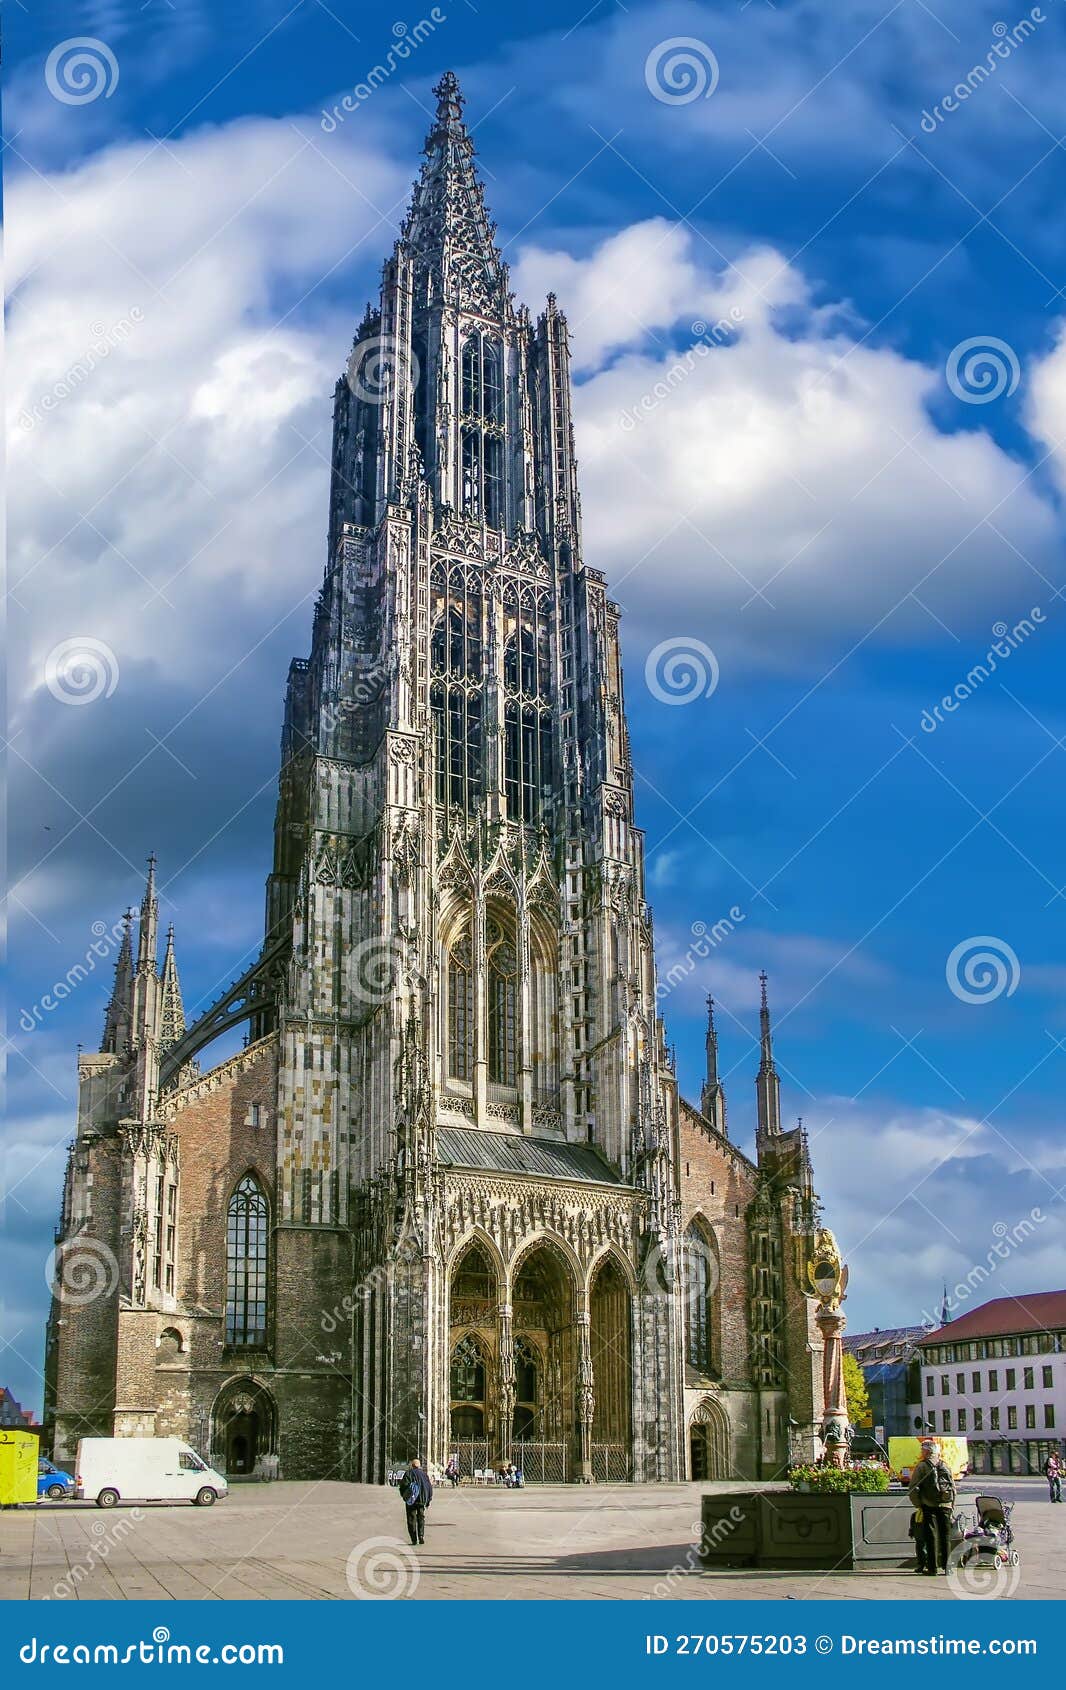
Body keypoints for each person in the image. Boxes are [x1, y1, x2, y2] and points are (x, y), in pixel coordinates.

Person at [908, 1439, 956, 1575]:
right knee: (945, 1536)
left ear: (927, 1451)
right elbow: (953, 1487)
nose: (921, 1452)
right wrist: (951, 1505)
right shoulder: (945, 1465)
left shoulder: (922, 1466)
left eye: (922, 1450)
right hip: (946, 1505)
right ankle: (948, 1567)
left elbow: (913, 1488)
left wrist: (918, 1504)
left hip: (929, 1505)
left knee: (931, 1536)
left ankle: (932, 1568)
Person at [399, 1457, 433, 1546]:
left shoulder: (408, 1473)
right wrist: (428, 1500)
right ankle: (421, 1535)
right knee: (421, 1518)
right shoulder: (424, 1475)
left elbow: (403, 1486)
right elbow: (429, 1488)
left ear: (412, 1465)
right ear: (419, 1465)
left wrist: (404, 1497)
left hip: (411, 1500)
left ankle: (414, 1539)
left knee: (411, 1519)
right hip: (422, 1500)